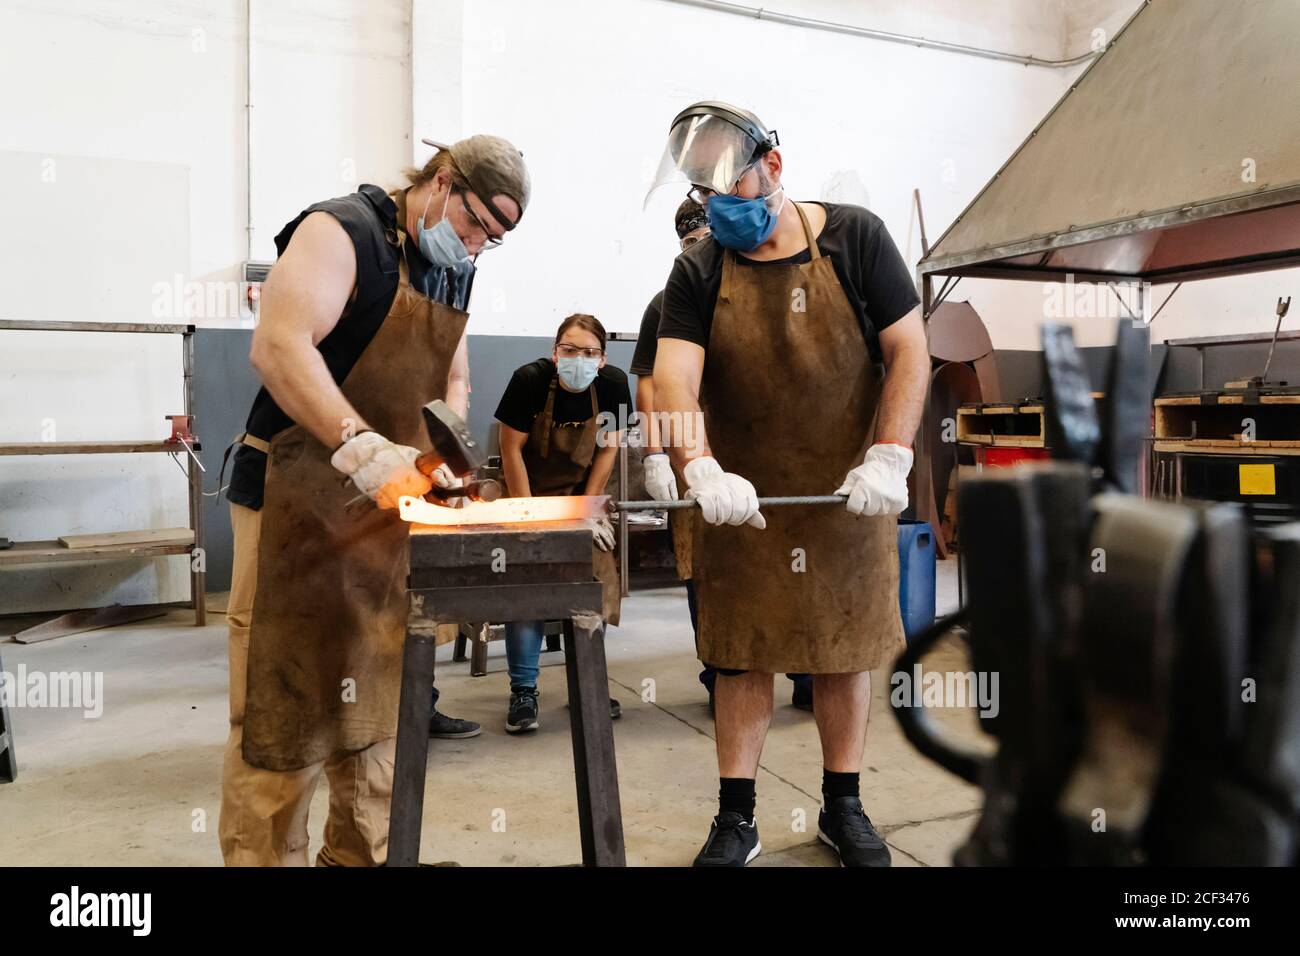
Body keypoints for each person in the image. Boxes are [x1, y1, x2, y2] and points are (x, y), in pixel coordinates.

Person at [220, 134, 529, 865]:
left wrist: (442, 454)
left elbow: (452, 377)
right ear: (444, 181)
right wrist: (360, 445)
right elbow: (280, 345)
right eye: (478, 224)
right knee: (283, 703)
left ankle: (358, 859)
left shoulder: (453, 272)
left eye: (496, 239)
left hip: (388, 505)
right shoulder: (342, 231)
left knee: (375, 698)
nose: (479, 246)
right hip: (295, 496)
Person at [647, 102, 931, 867]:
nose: (720, 210)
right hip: (744, 506)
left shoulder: (855, 238)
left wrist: (891, 454)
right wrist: (695, 463)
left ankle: (845, 806)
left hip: (848, 493)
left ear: (774, 167)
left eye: (732, 190)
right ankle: (736, 817)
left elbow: (910, 352)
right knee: (741, 657)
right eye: (706, 197)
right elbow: (672, 376)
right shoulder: (699, 268)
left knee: (843, 652)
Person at [633, 197, 813, 715]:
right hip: (700, 456)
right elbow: (651, 385)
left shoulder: (774, 290)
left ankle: (806, 671)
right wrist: (657, 456)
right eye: (692, 244)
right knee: (710, 567)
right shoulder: (668, 301)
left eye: (709, 240)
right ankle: (721, 671)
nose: (702, 251)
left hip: (774, 449)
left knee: (792, 558)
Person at [493, 314, 632, 733]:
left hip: (580, 496)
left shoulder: (612, 384)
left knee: (595, 580)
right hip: (528, 494)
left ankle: (585, 685)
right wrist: (528, 515)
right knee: (528, 585)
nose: (579, 359)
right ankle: (523, 691)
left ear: (602, 357)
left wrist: (588, 507)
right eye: (570, 350)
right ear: (555, 353)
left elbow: (608, 451)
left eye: (589, 353)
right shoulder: (529, 381)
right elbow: (510, 450)